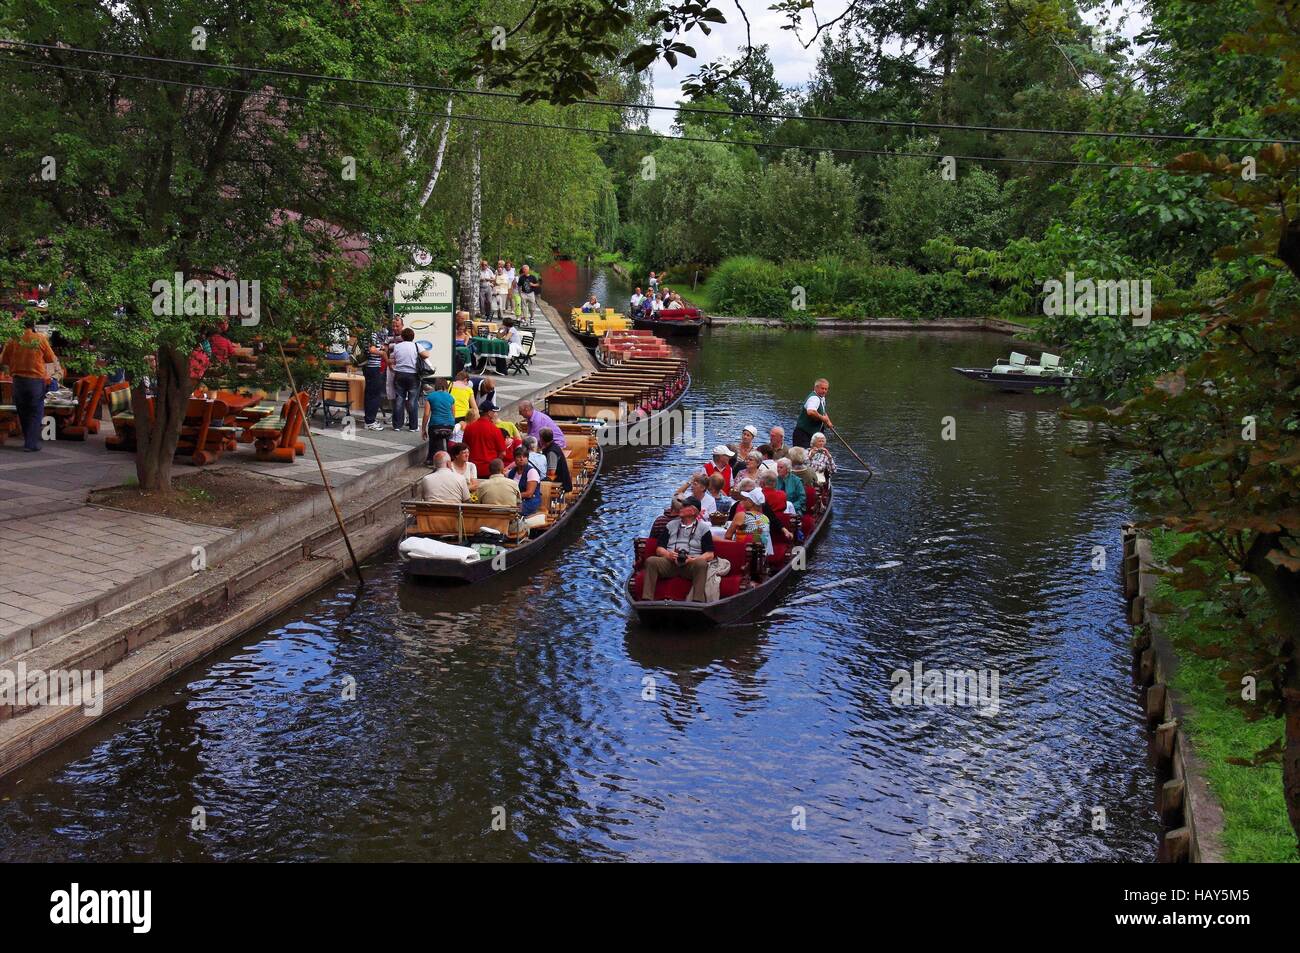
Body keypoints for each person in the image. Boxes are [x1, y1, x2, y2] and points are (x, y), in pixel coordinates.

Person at [0, 316, 59, 452]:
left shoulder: (12, 340)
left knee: (23, 411)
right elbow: (50, 358)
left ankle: (29, 441)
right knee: (35, 411)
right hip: (35, 380)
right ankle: (30, 443)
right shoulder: (40, 338)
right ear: (33, 325)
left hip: (18, 381)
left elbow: (4, 360)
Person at [641, 503, 714, 602]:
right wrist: (668, 555)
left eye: (684, 507)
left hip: (691, 564)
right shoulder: (670, 525)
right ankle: (647, 600)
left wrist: (692, 560)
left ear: (693, 511)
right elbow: (659, 549)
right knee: (651, 561)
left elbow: (710, 554)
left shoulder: (704, 528)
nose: (680, 508)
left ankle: (697, 602)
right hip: (670, 562)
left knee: (701, 564)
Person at [389, 327, 421, 432]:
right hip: (413, 375)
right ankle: (413, 426)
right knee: (412, 401)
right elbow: (426, 355)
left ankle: (397, 425)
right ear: (413, 337)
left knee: (399, 399)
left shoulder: (397, 346)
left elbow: (393, 359)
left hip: (399, 374)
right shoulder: (417, 346)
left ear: (402, 337)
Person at [463, 405, 507, 475]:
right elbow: (503, 453)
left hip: (472, 469)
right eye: (494, 412)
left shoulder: (469, 428)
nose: (495, 414)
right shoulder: (495, 430)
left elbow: (464, 447)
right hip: (490, 470)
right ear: (489, 413)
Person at [421, 377, 456, 462]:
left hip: (435, 425)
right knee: (448, 442)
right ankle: (450, 459)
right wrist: (452, 426)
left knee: (433, 442)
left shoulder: (430, 396)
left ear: (436, 386)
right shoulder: (451, 397)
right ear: (446, 386)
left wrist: (423, 429)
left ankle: (430, 460)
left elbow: (426, 414)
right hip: (449, 425)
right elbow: (453, 414)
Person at [362, 323, 387, 430]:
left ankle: (369, 419)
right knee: (374, 395)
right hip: (373, 367)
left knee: (370, 394)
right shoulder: (372, 334)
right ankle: (370, 421)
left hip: (368, 367)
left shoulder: (366, 334)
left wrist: (379, 347)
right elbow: (372, 350)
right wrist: (383, 353)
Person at [794, 378, 832, 448]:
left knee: (812, 456)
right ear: (815, 388)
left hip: (811, 435)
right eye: (822, 388)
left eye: (826, 389)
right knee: (803, 457)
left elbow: (823, 411)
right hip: (803, 434)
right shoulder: (814, 398)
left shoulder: (822, 398)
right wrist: (823, 418)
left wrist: (828, 422)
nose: (824, 391)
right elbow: (810, 412)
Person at [506, 446, 542, 517]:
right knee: (500, 508)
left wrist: (512, 497)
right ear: (514, 459)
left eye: (524, 457)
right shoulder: (511, 472)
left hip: (530, 502)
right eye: (519, 457)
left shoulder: (532, 472)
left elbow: (529, 494)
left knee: (512, 510)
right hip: (514, 501)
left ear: (527, 458)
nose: (521, 459)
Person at [538, 427, 573, 493]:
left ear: (542, 439)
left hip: (561, 484)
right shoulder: (553, 446)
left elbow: (552, 472)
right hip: (560, 481)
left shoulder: (551, 452)